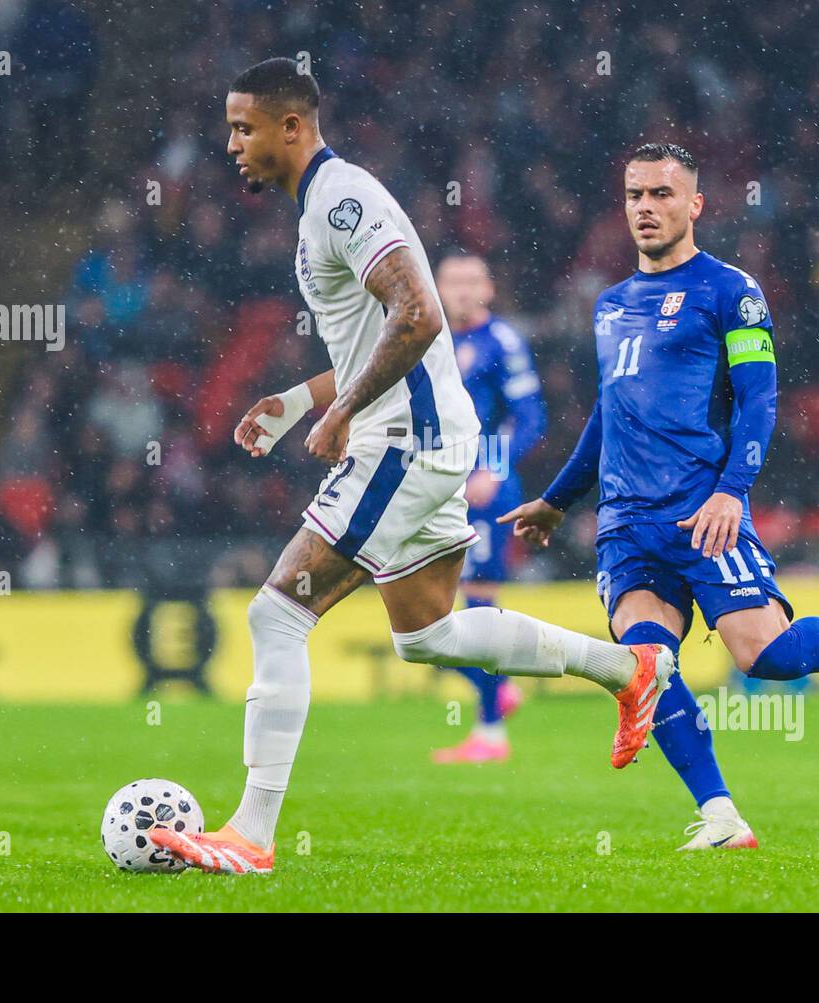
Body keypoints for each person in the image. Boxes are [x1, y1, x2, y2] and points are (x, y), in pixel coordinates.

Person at [148, 60, 674, 875]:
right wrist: (298, 401)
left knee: (276, 613)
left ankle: (250, 833)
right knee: (428, 633)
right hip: (422, 438)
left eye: (243, 128)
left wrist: (344, 409)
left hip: (406, 442)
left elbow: (421, 316)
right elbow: (375, 337)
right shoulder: (322, 205)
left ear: (293, 127)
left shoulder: (342, 200)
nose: (231, 144)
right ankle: (627, 667)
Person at [500, 143, 819, 851]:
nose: (645, 208)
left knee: (765, 657)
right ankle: (720, 813)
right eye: (633, 195)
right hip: (625, 522)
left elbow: (759, 400)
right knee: (647, 665)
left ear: (695, 205)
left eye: (660, 194)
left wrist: (731, 492)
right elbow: (607, 413)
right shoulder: (611, 303)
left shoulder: (730, 291)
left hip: (701, 511)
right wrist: (557, 500)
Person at [429, 252, 546, 763]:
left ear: (490, 289)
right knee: (422, 623)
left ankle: (490, 733)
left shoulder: (501, 341)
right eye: (451, 280)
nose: (460, 289)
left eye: (471, 280)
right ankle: (496, 688)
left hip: (483, 492)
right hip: (434, 488)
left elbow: (529, 414)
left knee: (476, 604)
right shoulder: (431, 341)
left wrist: (492, 469)